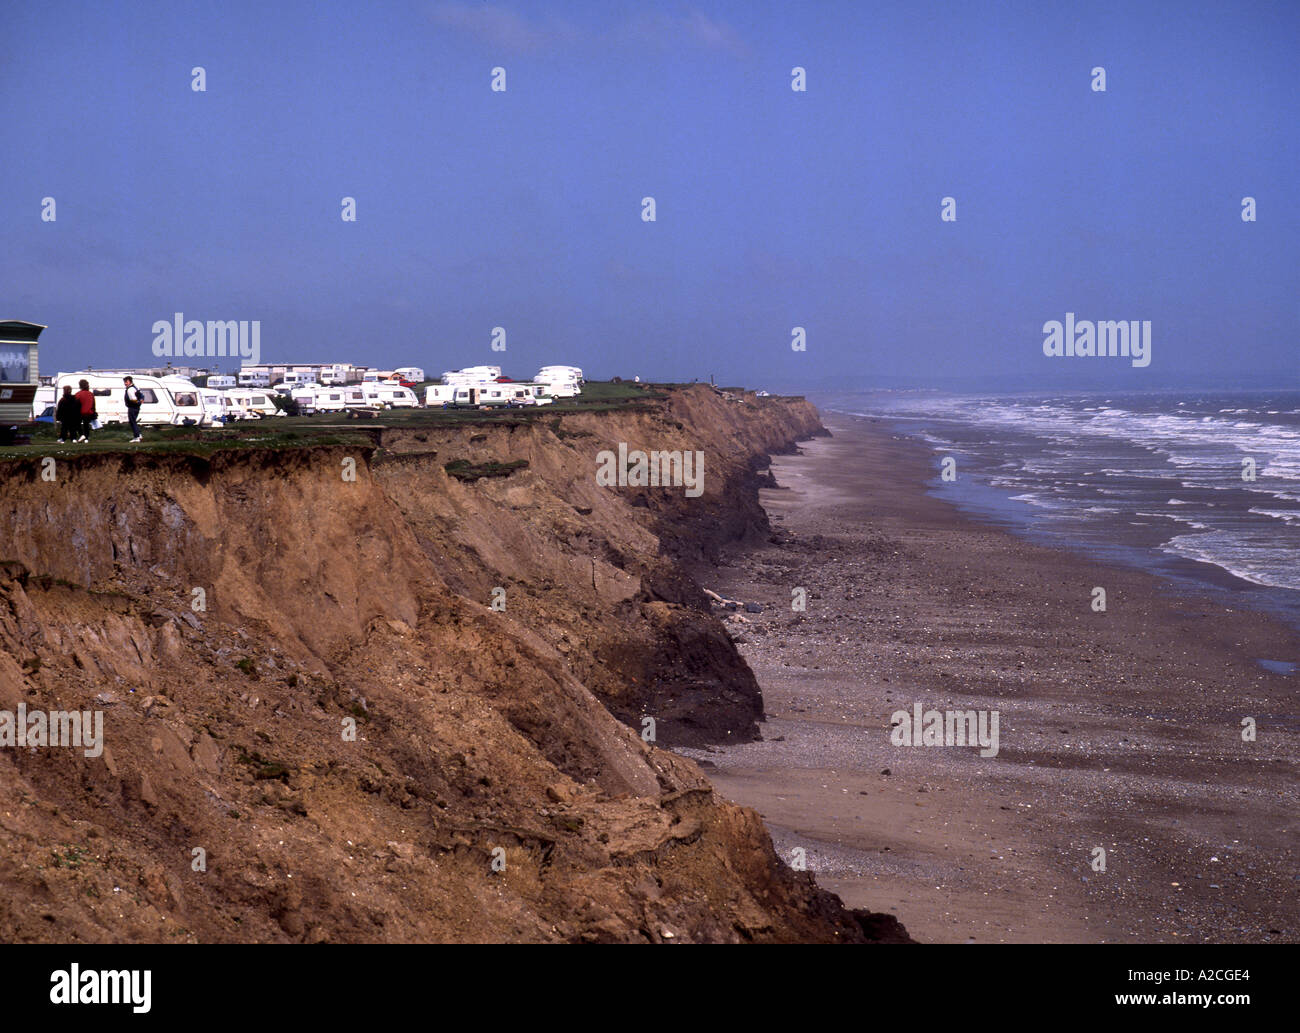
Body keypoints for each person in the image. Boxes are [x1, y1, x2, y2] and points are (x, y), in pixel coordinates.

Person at [123, 376, 143, 442]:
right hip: (136, 407)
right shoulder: (135, 387)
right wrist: (140, 401)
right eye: (124, 382)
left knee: (132, 422)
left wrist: (136, 402)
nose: (125, 383)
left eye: (126, 382)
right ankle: (139, 434)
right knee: (133, 421)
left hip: (132, 407)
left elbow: (133, 399)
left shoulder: (130, 389)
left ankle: (136, 437)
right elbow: (141, 395)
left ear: (130, 381)